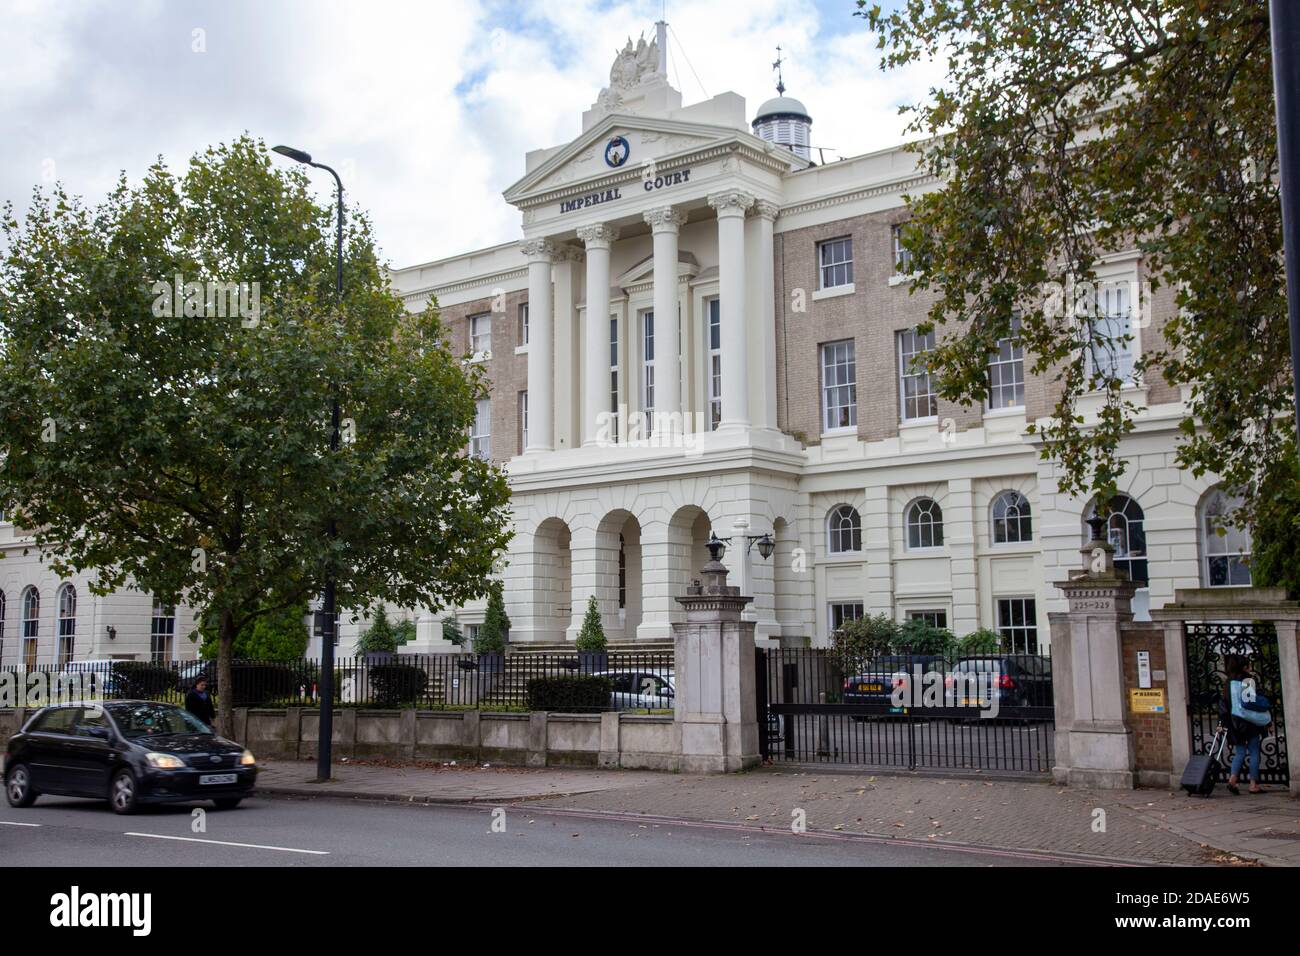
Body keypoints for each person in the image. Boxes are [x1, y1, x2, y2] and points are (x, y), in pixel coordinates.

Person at [1221, 656, 1271, 795]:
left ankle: (1232, 780)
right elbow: (1250, 702)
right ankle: (1253, 784)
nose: (1250, 668)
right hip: (1249, 722)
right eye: (1248, 665)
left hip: (1234, 722)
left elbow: (1223, 705)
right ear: (1244, 667)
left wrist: (1223, 723)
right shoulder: (1247, 680)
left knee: (1240, 752)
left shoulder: (1228, 682)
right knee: (1254, 751)